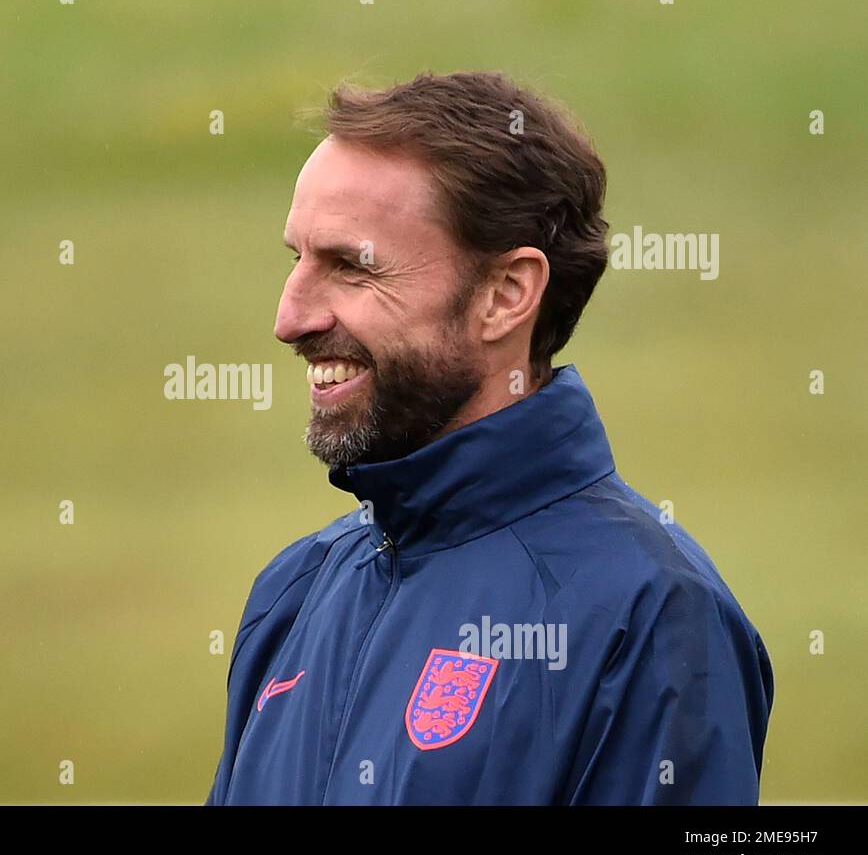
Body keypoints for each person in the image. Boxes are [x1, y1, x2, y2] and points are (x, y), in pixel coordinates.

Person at [204, 71, 774, 805]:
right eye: (297, 260)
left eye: (351, 266)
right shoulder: (296, 590)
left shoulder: (650, 616)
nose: (291, 318)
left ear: (506, 295)